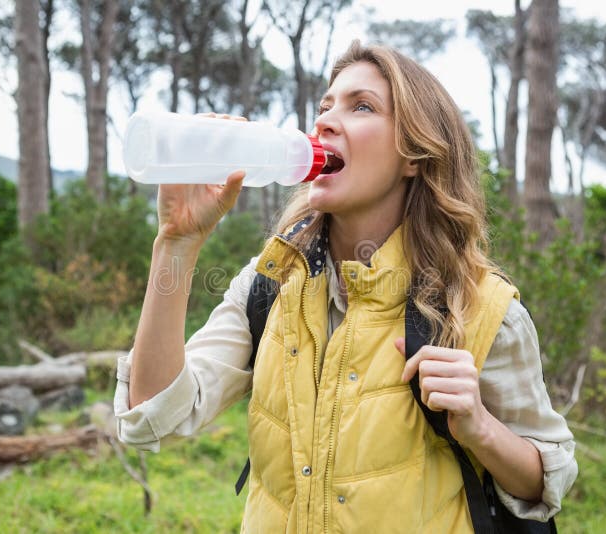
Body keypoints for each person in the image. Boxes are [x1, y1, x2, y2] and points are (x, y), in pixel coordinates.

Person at [114, 40, 577, 533]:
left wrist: (481, 428)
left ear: (415, 156)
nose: (326, 121)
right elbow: (153, 412)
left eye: (362, 106)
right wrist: (176, 244)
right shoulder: (269, 283)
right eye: (325, 106)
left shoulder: (482, 308)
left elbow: (545, 480)